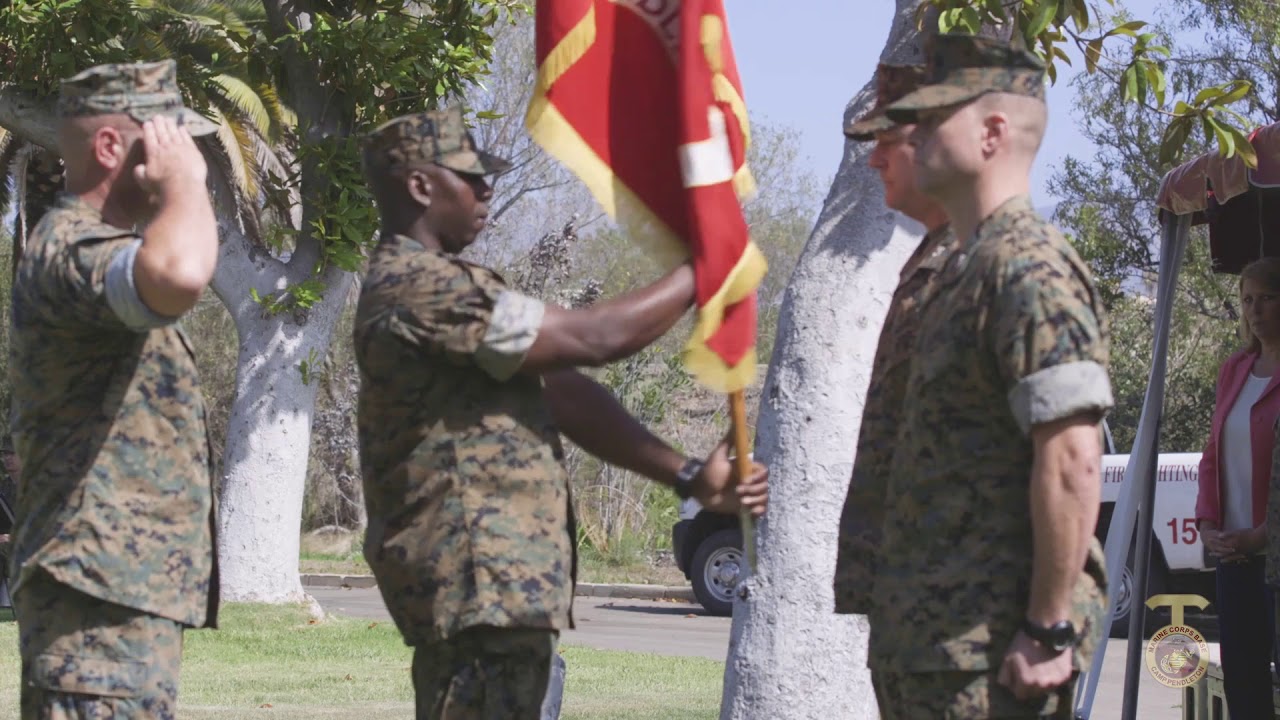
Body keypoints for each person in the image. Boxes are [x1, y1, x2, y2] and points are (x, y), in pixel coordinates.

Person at [353, 106, 770, 719]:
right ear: (420, 185)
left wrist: (686, 475)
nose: (487, 187)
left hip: (502, 591)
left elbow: (564, 390)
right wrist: (702, 269)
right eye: (471, 175)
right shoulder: (416, 287)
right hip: (475, 588)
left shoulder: (448, 283)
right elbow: (592, 338)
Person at [864, 33, 1115, 718]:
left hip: (991, 659)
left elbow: (1071, 458)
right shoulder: (969, 266)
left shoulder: (1028, 266)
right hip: (939, 653)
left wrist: (1047, 627)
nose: (906, 137)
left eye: (929, 117)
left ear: (992, 132)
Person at [8, 59, 220, 719]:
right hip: (92, 604)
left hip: (114, 598)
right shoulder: (67, 249)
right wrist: (187, 184)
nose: (186, 155)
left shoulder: (94, 248)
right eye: (167, 140)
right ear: (109, 148)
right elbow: (179, 273)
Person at [832, 62, 956, 616]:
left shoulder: (998, 265)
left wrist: (1044, 623)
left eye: (889, 140)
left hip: (967, 612)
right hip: (912, 602)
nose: (874, 158)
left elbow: (1060, 460)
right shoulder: (926, 259)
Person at [1197, 258, 1280, 716]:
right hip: (1234, 555)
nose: (1256, 310)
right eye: (1248, 299)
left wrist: (1261, 534)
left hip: (1274, 555)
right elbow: (1212, 453)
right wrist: (1208, 525)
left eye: (1267, 297)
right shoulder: (1235, 369)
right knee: (1243, 684)